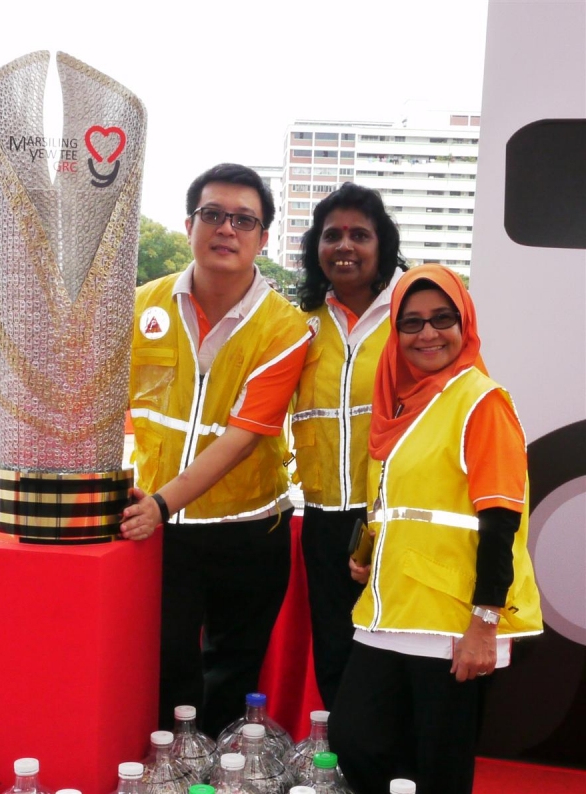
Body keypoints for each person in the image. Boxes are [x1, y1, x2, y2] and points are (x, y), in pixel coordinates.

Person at [328, 264, 543, 794]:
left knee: (438, 767)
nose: (427, 334)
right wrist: (368, 550)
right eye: (412, 322)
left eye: (442, 319)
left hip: (452, 621)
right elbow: (397, 503)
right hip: (390, 607)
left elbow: (500, 523)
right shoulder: (401, 404)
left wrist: (483, 625)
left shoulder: (482, 403)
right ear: (395, 332)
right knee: (356, 739)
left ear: (464, 324)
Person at [120, 163, 312, 737]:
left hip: (249, 529)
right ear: (189, 224)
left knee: (231, 674)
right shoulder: (139, 307)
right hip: (162, 532)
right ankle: (172, 771)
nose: (226, 229)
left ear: (262, 237)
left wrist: (161, 503)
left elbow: (241, 436)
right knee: (165, 669)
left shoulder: (285, 328)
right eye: (213, 214)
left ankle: (223, 774)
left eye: (243, 219)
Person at [292, 182, 407, 709]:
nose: (345, 246)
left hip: (395, 518)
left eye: (359, 235)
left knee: (394, 656)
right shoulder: (301, 326)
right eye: (332, 234)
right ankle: (343, 771)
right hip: (325, 521)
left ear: (382, 244)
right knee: (335, 655)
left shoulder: (413, 318)